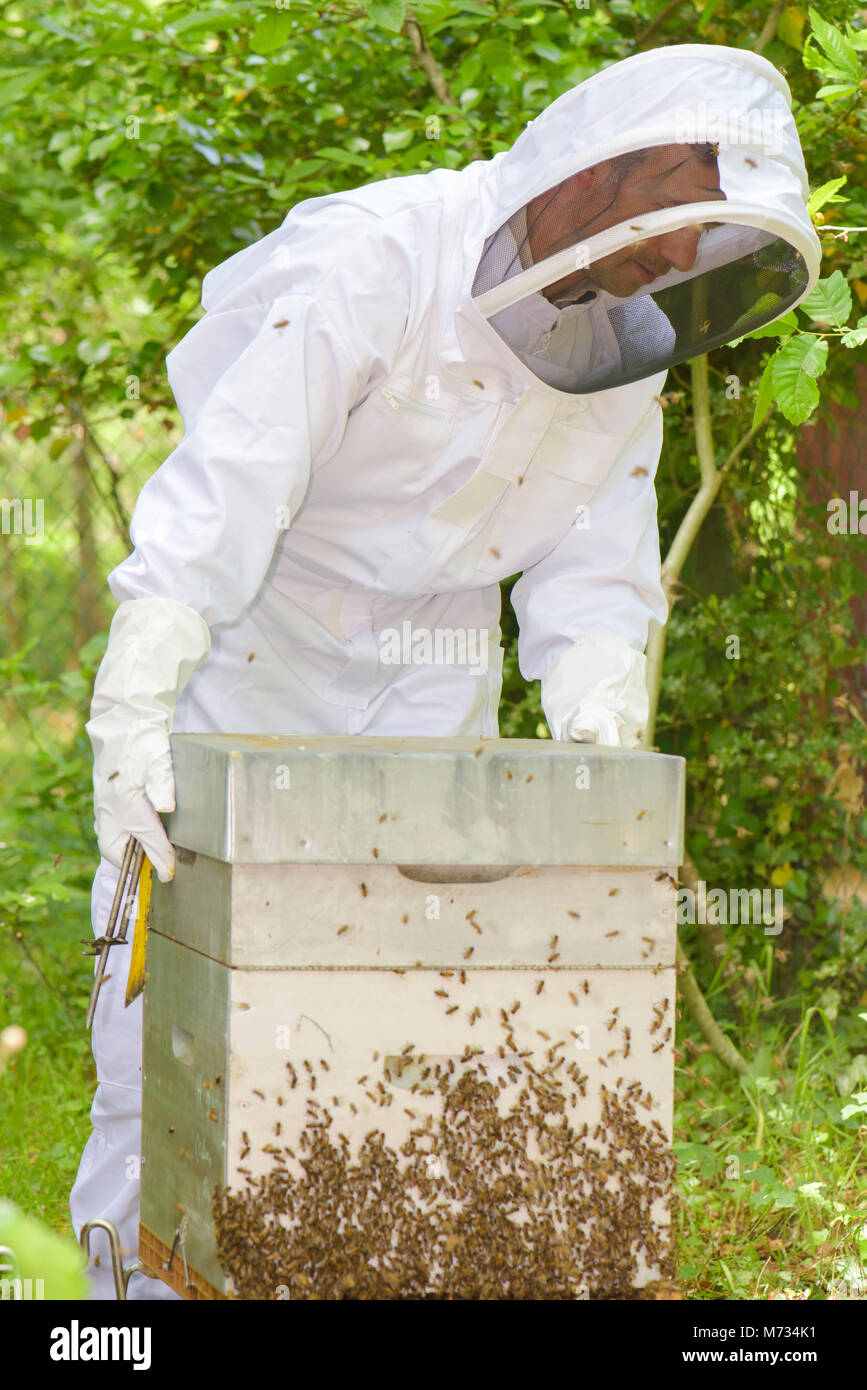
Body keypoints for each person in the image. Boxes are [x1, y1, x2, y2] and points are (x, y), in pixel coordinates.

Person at [70, 41, 819, 1298]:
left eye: (704, 248)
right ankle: (115, 1314)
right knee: (171, 1052)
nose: (675, 268)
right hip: (255, 651)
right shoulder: (375, 259)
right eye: (674, 223)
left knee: (401, 1033)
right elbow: (222, 495)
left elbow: (595, 579)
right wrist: (133, 707)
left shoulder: (615, 346)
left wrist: (597, 760)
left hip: (437, 691)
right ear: (603, 170)